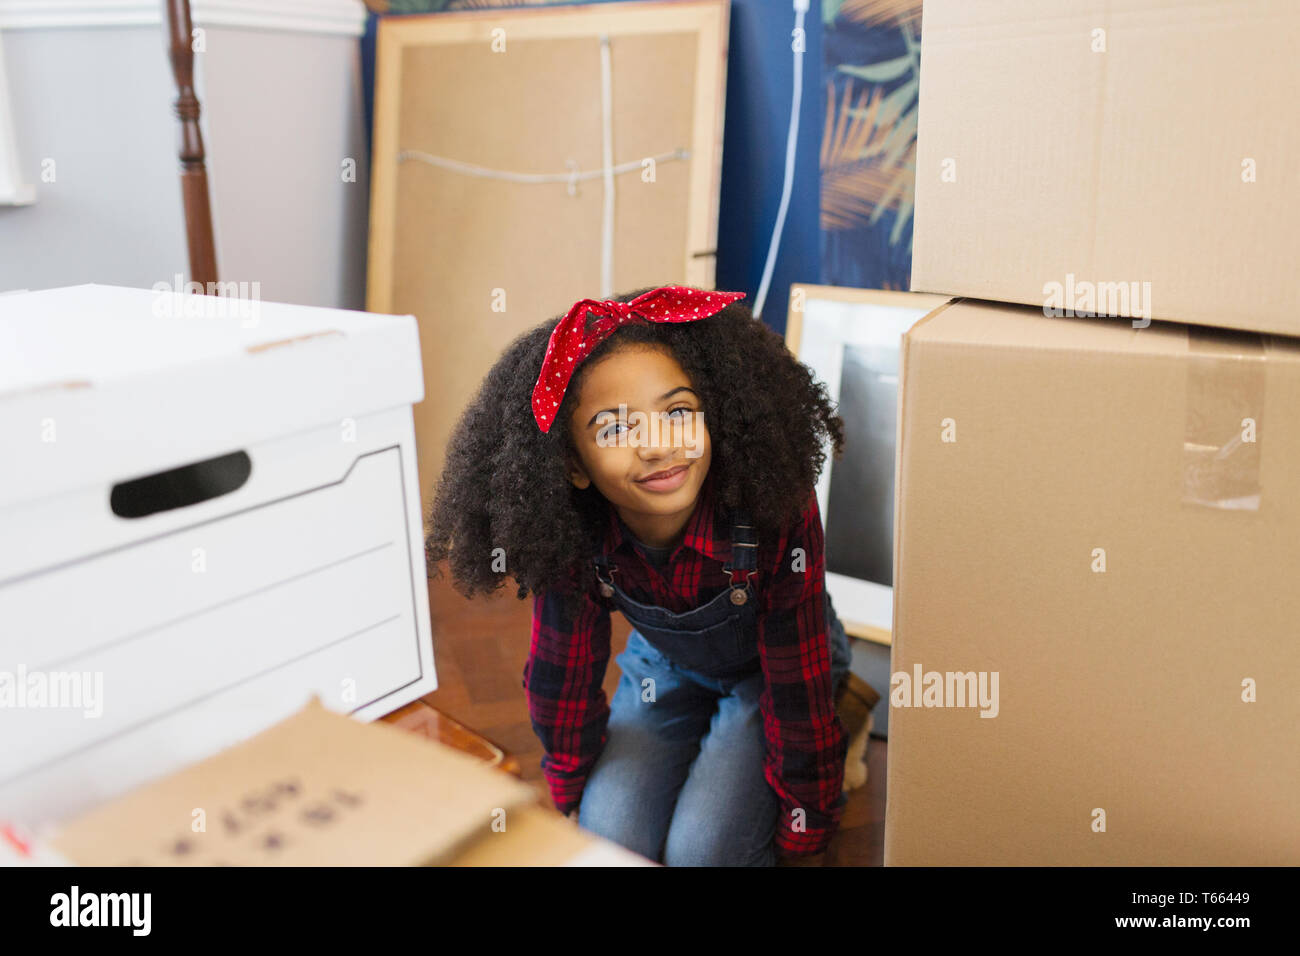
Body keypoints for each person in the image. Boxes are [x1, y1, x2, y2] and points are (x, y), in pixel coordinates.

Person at [426, 285, 857, 866]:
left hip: (772, 672)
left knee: (702, 851)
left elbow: (796, 681)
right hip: (665, 668)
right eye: (614, 429)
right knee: (613, 836)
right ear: (574, 466)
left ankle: (851, 708)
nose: (657, 447)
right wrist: (574, 789)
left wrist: (808, 815)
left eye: (677, 412)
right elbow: (563, 676)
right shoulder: (574, 528)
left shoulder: (772, 504)